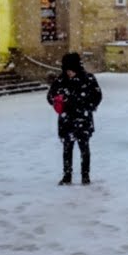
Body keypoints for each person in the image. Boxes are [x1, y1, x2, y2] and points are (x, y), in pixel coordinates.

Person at [47, 52, 103, 186]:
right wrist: (58, 101)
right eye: (67, 70)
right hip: (66, 121)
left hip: (83, 119)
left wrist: (85, 105)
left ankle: (85, 176)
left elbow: (97, 96)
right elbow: (50, 97)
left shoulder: (88, 78)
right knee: (67, 149)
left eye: (71, 70)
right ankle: (67, 176)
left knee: (84, 149)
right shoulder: (60, 81)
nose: (69, 73)